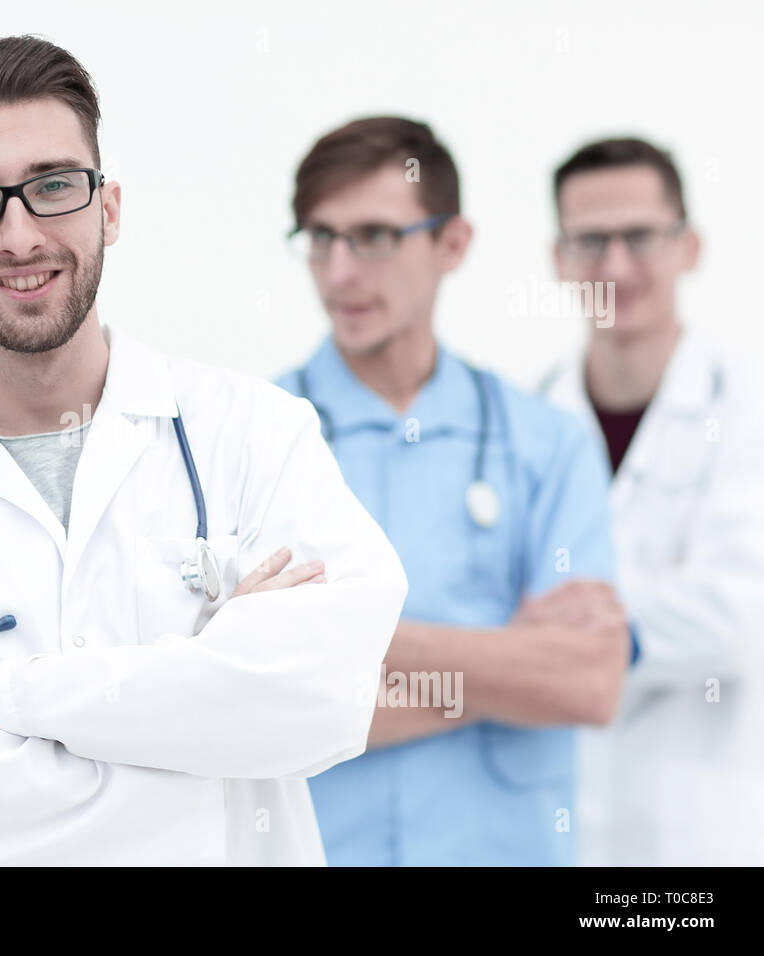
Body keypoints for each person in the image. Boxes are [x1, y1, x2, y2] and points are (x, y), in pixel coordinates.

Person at [0, 35, 408, 866]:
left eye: (51, 186)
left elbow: (322, 702)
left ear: (107, 208)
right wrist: (204, 722)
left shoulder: (253, 433)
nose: (17, 233)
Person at [275, 117, 629, 865]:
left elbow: (590, 682)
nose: (340, 272)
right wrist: (512, 664)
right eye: (321, 238)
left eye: (373, 236)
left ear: (453, 243)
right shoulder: (258, 438)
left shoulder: (548, 442)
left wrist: (345, 640)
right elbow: (262, 702)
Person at [542, 137, 764, 865]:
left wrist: (573, 630)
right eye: (590, 242)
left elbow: (736, 619)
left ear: (689, 247)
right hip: (553, 825)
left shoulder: (745, 412)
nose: (614, 267)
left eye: (639, 236)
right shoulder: (527, 424)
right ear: (558, 259)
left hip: (696, 839)